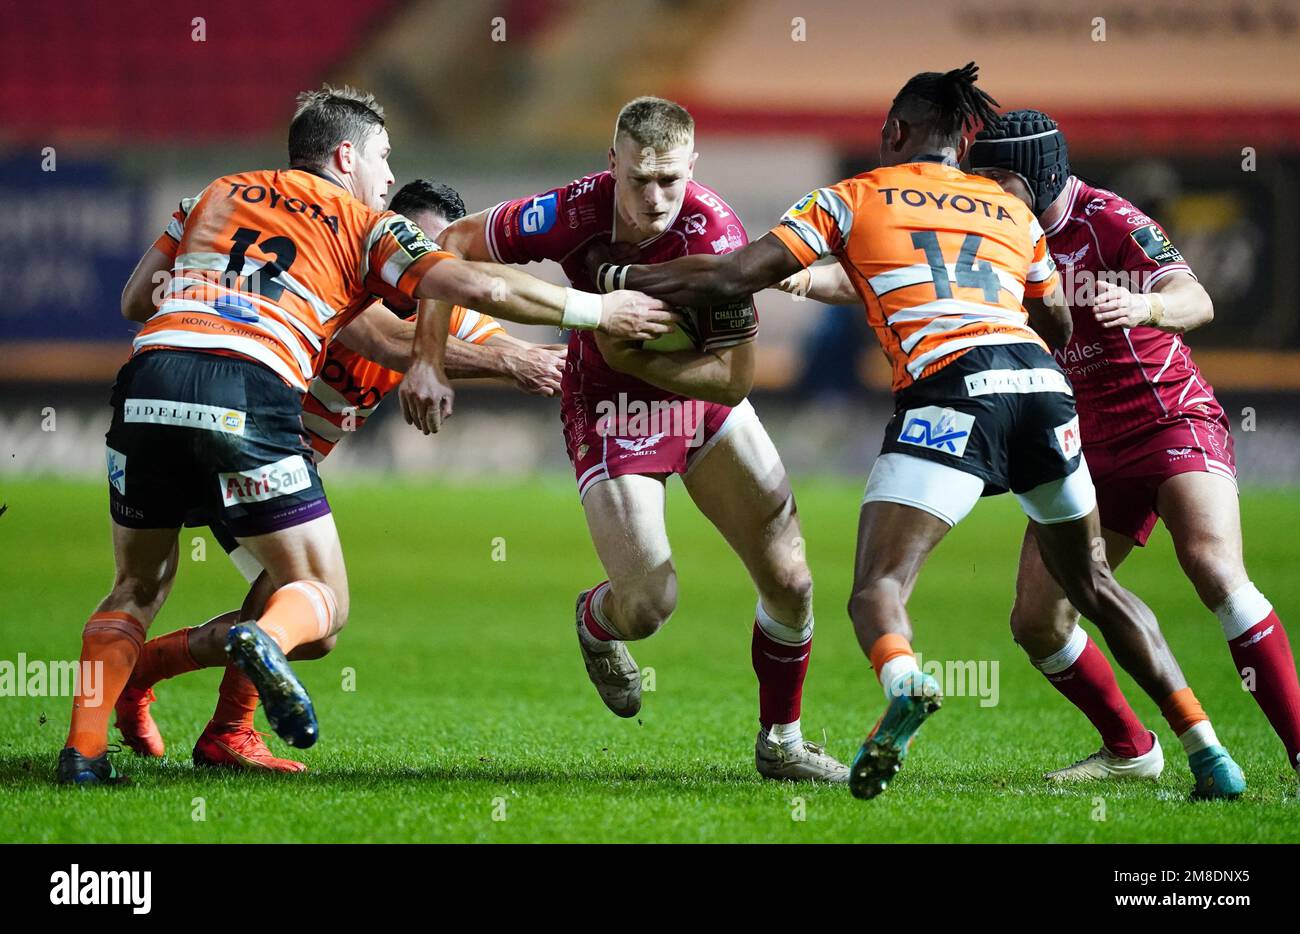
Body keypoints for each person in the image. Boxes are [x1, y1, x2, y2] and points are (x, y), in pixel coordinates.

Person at [587, 64, 1245, 800]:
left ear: (894, 133)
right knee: (1092, 582)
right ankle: (1207, 746)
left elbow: (730, 276)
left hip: (951, 394)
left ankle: (904, 679)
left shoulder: (853, 196)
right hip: (1043, 392)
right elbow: (1057, 323)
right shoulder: (1008, 210)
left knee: (877, 586)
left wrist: (613, 284)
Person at [60, 85, 672, 785]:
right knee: (320, 603)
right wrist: (596, 310)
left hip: (151, 385)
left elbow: (136, 300)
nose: (385, 175)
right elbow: (447, 306)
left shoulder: (217, 191)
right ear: (345, 154)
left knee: (139, 586)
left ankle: (86, 750)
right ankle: (248, 665)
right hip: (249, 411)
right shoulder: (364, 232)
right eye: (382, 158)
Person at [439, 96, 847, 781]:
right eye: (637, 179)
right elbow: (452, 247)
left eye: (670, 179)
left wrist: (643, 359)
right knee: (649, 606)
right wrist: (427, 358)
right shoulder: (571, 211)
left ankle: (781, 743)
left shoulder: (715, 236)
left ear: (693, 165)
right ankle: (598, 623)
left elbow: (735, 380)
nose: (655, 197)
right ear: (612, 165)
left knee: (792, 578)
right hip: (610, 403)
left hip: (700, 394)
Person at [113, 179, 566, 772]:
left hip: (265, 468)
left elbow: (522, 347)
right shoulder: (341, 273)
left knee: (309, 624)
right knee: (269, 594)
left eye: (431, 265)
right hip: (231, 436)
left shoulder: (439, 309)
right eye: (409, 260)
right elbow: (386, 339)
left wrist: (610, 337)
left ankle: (147, 676)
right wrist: (506, 360)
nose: (415, 281)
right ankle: (213, 722)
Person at [967, 110, 1296, 789]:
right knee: (1037, 621)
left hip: (1167, 418)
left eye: (998, 179)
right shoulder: (998, 237)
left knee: (1210, 564)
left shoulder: (1109, 219)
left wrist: (1146, 308)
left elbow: (1193, 297)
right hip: (1083, 444)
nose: (986, 193)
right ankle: (1130, 749)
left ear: (1038, 174)